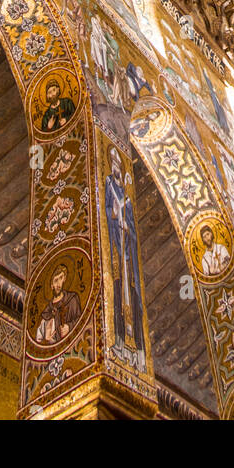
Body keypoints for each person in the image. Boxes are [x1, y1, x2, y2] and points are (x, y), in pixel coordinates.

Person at [104, 148, 144, 353]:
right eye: (113, 165)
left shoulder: (127, 197)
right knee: (117, 285)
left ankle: (133, 336)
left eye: (118, 165)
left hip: (126, 248)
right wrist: (114, 214)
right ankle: (118, 334)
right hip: (114, 244)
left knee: (130, 289)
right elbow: (107, 209)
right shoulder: (109, 185)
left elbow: (133, 228)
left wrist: (127, 227)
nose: (115, 168)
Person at [36, 264, 82, 343]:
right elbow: (38, 340)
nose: (58, 284)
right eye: (56, 280)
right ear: (52, 285)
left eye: (61, 278)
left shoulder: (72, 299)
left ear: (64, 279)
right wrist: (47, 340)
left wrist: (69, 327)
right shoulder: (47, 312)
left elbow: (82, 320)